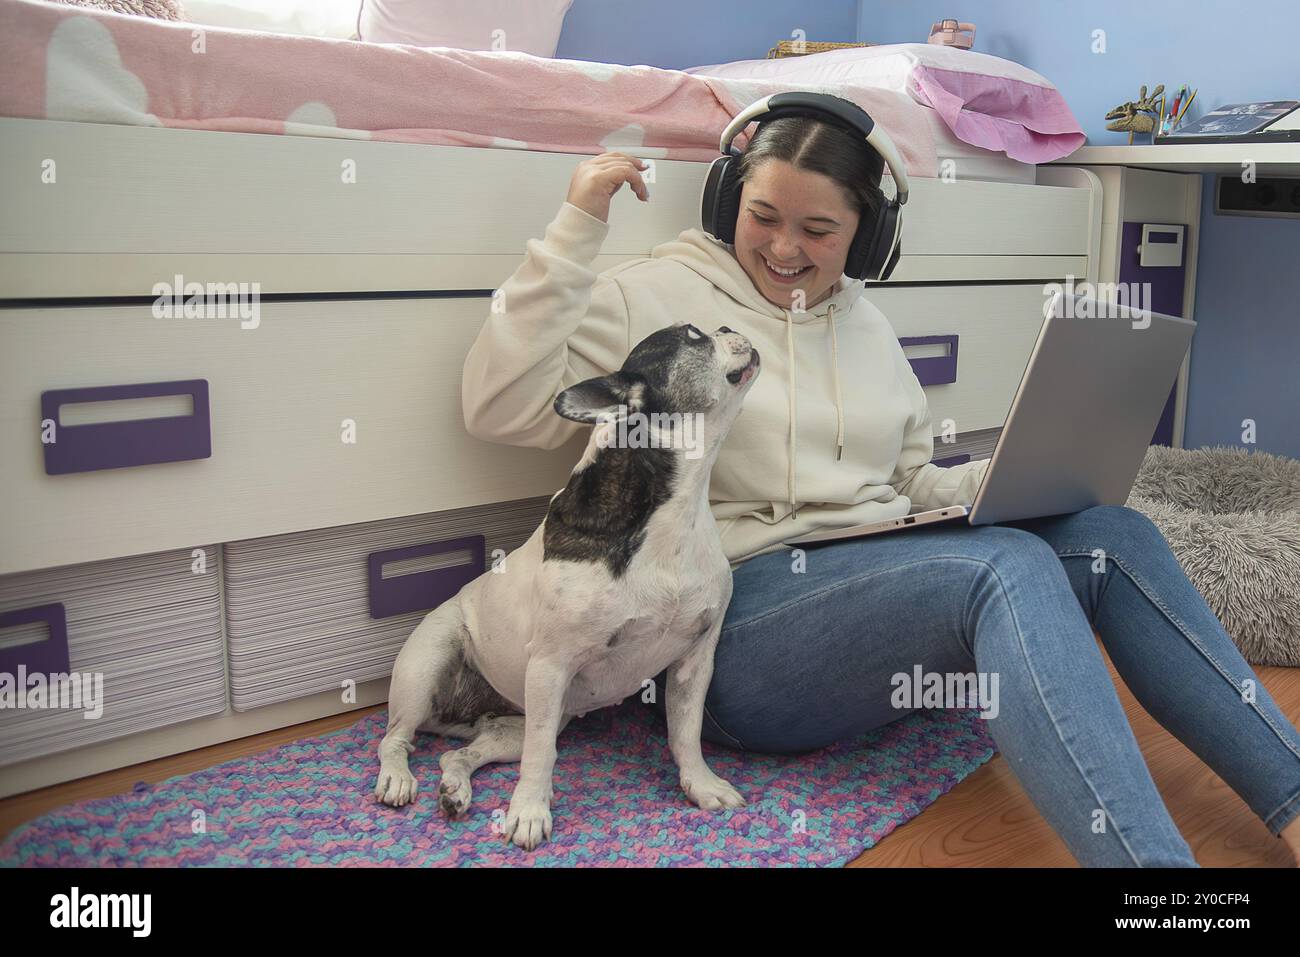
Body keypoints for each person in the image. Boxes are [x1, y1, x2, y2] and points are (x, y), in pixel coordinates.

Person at [459, 104, 1300, 868]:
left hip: (872, 574)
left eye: (819, 229)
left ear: (865, 237)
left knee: (1113, 533)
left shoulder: (864, 322)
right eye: (763, 217)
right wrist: (574, 231)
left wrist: (1015, 471)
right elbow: (501, 408)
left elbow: (904, 479)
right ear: (728, 204)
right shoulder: (655, 301)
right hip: (729, 624)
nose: (786, 249)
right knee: (1003, 567)